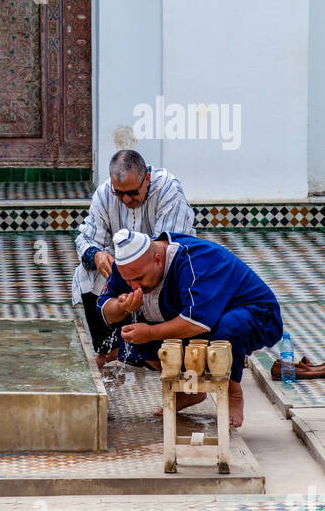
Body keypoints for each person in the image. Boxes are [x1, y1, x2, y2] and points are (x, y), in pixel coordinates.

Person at [97, 227, 282, 427]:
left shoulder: (193, 260)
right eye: (128, 281)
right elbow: (105, 308)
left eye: (139, 279)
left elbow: (196, 322)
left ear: (158, 260)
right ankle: (188, 390)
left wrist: (150, 332)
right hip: (207, 316)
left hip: (256, 314)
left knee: (227, 328)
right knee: (134, 327)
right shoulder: (129, 266)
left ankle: (233, 393)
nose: (134, 286)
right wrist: (121, 306)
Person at [72, 135, 195, 367]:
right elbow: (85, 239)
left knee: (162, 274)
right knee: (86, 271)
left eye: (132, 193)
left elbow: (171, 250)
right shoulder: (105, 193)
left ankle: (150, 347)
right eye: (120, 194)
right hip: (123, 274)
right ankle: (110, 345)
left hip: (157, 271)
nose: (126, 199)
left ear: (146, 178)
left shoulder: (168, 190)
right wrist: (96, 256)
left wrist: (133, 273)